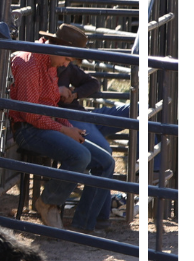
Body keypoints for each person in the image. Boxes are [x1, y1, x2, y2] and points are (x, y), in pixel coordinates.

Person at [8, 23, 115, 232]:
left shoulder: (49, 64)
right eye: (67, 59)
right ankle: (48, 203)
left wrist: (67, 126)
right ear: (58, 47)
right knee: (81, 156)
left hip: (45, 125)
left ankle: (83, 226)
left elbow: (49, 105)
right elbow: (30, 114)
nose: (67, 65)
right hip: (27, 129)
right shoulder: (29, 64)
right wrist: (66, 130)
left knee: (106, 161)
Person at [56, 59, 112, 224]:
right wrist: (57, 91)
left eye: (70, 59)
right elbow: (39, 97)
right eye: (66, 58)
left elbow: (94, 83)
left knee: (137, 110)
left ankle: (154, 167)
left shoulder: (64, 65)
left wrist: (74, 94)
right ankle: (90, 219)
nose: (67, 63)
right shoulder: (44, 66)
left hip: (79, 118)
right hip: (67, 122)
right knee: (104, 159)